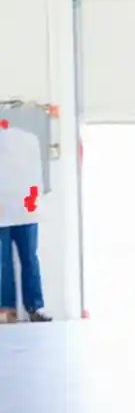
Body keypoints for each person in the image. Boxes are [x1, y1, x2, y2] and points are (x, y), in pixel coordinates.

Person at [0, 119, 50, 324]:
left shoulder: (26, 141)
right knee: (17, 260)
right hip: (19, 209)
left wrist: (31, 205)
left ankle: (23, 308)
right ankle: (16, 308)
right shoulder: (29, 140)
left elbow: (34, 177)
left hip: (23, 209)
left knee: (19, 260)